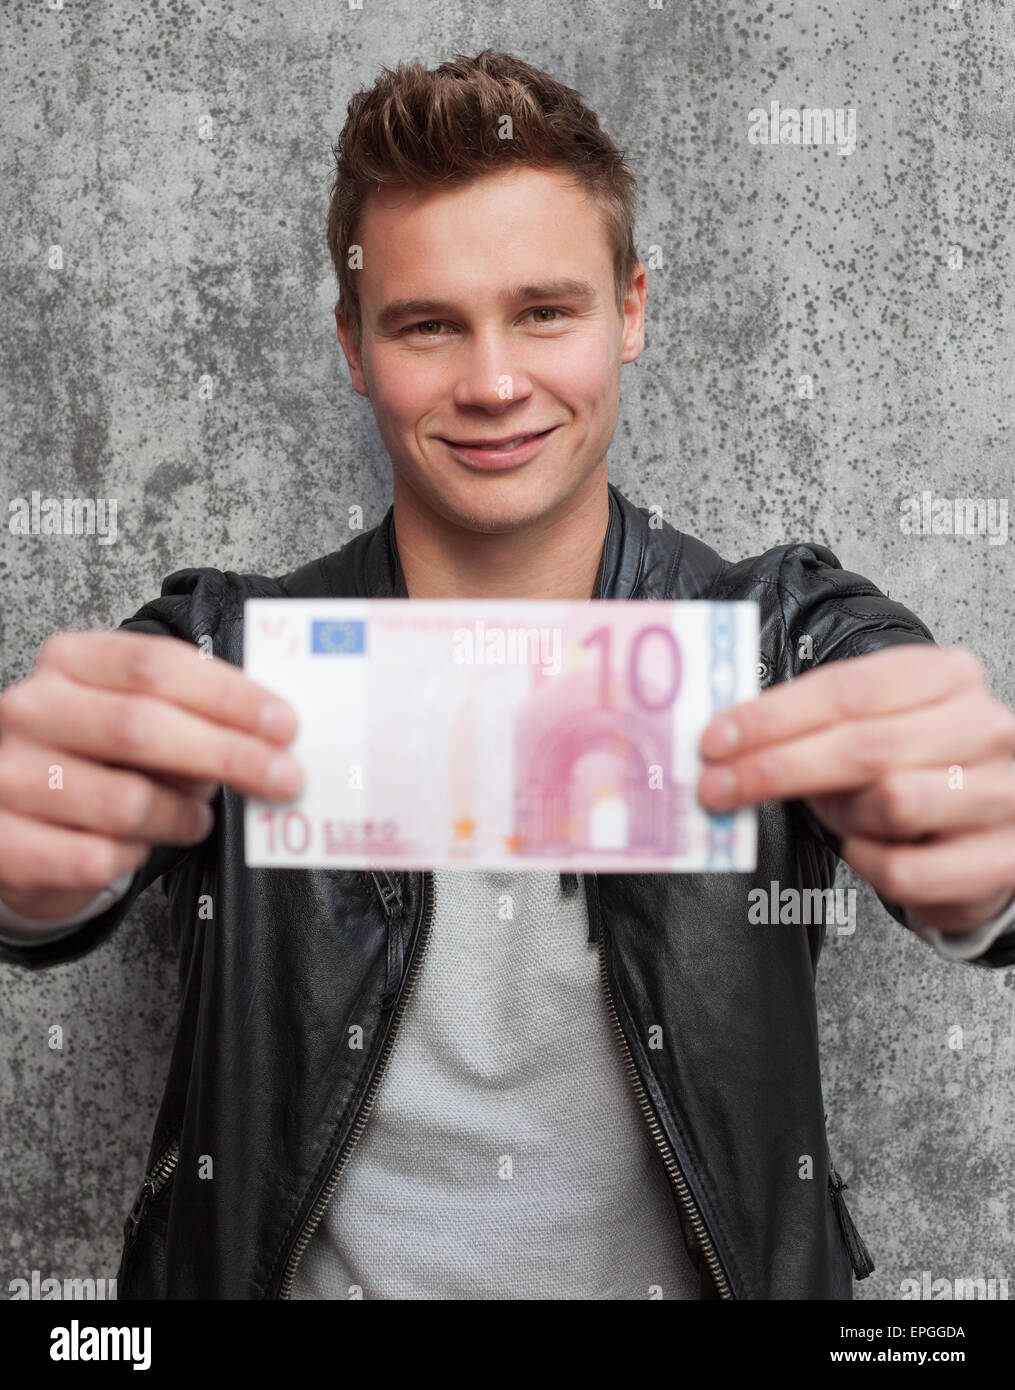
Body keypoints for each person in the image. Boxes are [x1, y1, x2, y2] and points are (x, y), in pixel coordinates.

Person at [1, 50, 1013, 1302]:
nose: (491, 383)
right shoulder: (224, 652)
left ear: (630, 310)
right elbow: (58, 856)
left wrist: (985, 859)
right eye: (430, 324)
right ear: (355, 346)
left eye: (545, 311)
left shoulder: (776, 637)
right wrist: (31, 881)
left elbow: (946, 789)